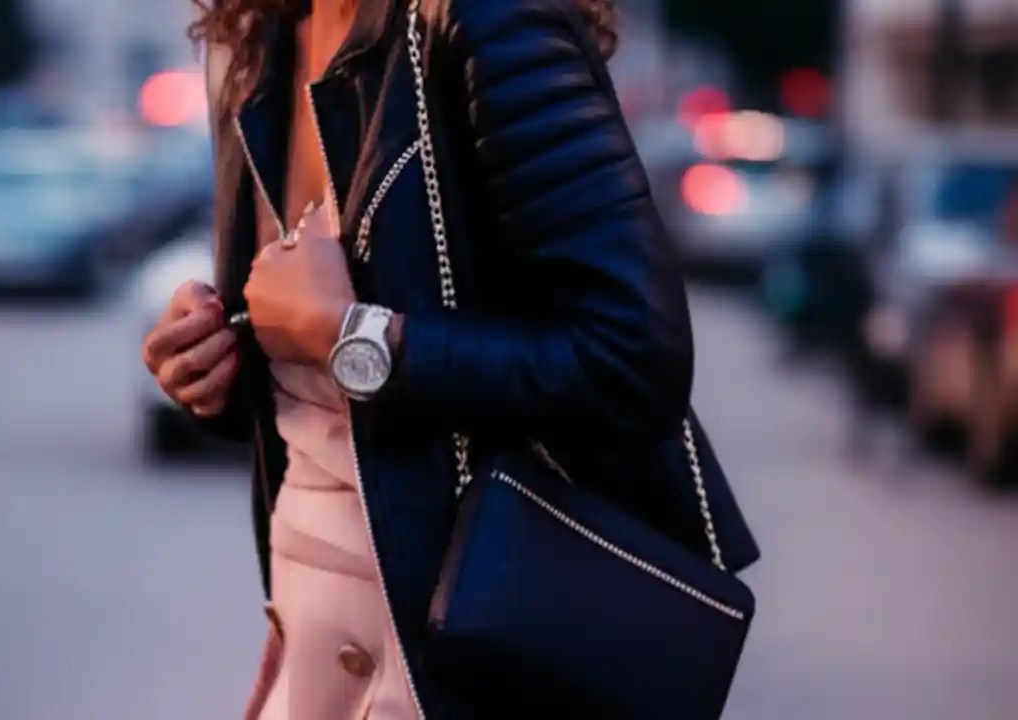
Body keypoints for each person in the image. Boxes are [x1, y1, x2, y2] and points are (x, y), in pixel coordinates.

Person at [142, 0, 760, 716]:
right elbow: (310, 384)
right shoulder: (254, 40)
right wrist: (214, 364)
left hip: (449, 652)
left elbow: (631, 355)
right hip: (306, 636)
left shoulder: (490, 18)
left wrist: (356, 338)